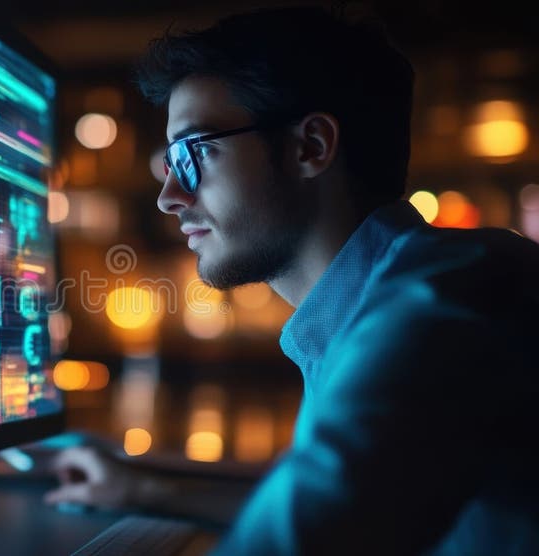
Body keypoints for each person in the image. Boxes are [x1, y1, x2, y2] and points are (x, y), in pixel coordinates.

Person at [44, 5, 539, 555]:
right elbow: (345, 506)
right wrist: (144, 488)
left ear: (311, 147)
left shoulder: (442, 303)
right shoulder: (396, 295)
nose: (170, 197)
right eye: (169, 165)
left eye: (195, 153)